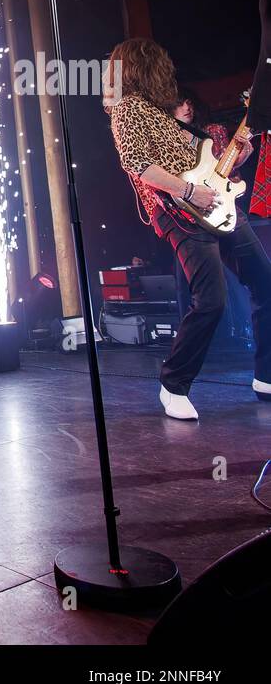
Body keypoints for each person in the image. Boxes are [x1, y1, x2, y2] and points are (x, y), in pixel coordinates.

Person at [107, 38, 271, 420]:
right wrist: (188, 192)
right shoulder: (127, 109)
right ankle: (173, 384)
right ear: (144, 68)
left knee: (265, 282)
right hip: (179, 211)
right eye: (161, 65)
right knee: (211, 299)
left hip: (217, 204)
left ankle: (265, 375)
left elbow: (204, 168)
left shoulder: (165, 114)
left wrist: (237, 157)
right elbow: (137, 163)